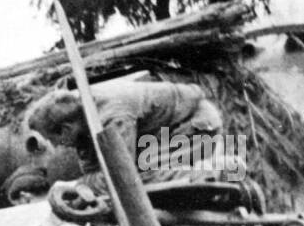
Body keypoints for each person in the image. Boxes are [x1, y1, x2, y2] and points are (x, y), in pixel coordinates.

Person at [24, 81, 229, 192]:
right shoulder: (81, 122)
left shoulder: (111, 115)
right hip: (162, 133)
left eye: (52, 139)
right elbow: (95, 173)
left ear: (65, 129)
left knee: (138, 182)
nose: (55, 146)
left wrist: (74, 185)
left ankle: (221, 170)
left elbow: (119, 176)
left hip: (194, 124)